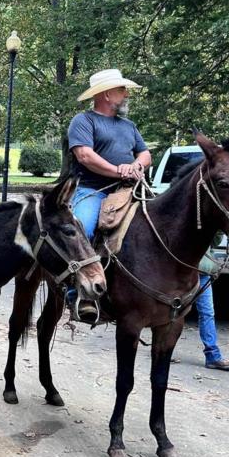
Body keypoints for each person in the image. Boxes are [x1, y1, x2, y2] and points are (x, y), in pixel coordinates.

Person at [65, 69, 152, 324]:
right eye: (121, 90)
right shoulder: (83, 121)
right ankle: (78, 292)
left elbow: (145, 154)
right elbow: (85, 156)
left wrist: (135, 166)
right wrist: (118, 170)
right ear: (105, 94)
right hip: (92, 191)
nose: (126, 95)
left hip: (129, 191)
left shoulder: (129, 126)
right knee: (82, 229)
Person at [195, 258, 229, 371]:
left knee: (207, 313)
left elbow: (213, 248)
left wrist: (213, 268)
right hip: (183, 273)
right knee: (175, 311)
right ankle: (164, 350)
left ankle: (213, 357)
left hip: (204, 274)